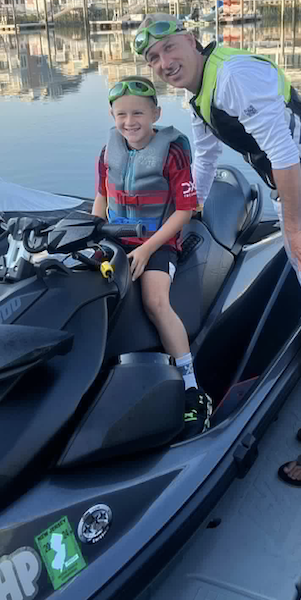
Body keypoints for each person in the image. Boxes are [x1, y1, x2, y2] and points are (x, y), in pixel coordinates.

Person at [135, 15, 301, 486]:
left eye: (168, 48)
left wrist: (295, 230)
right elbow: (205, 157)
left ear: (190, 38)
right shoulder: (202, 95)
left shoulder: (234, 77)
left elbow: (284, 156)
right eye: (153, 59)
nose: (163, 63)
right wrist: (190, 211)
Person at [92, 75, 212, 438]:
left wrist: (147, 249)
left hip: (159, 241)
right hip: (115, 239)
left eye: (138, 114)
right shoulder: (108, 151)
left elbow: (184, 211)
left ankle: (192, 384)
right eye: (122, 115)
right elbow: (101, 197)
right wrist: (90, 234)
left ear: (155, 113)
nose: (130, 122)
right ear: (113, 116)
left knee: (155, 301)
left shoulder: (172, 153)